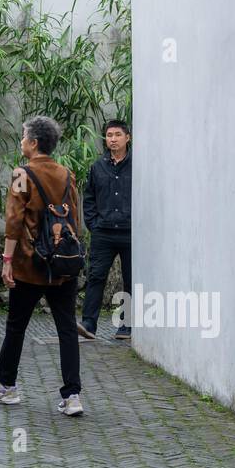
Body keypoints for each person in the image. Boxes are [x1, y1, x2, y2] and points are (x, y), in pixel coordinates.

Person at [0, 115, 84, 416]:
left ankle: (7, 386)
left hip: (30, 263)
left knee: (16, 326)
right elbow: (73, 218)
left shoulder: (20, 174)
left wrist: (7, 260)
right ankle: (72, 396)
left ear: (34, 143)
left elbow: (13, 222)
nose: (21, 142)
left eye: (24, 137)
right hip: (62, 264)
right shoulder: (67, 174)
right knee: (67, 329)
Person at [79, 119, 132, 342]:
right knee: (96, 277)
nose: (113, 139)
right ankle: (88, 324)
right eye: (109, 135)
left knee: (131, 279)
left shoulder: (139, 165)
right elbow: (89, 198)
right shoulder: (97, 167)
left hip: (131, 233)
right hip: (104, 232)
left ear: (127, 137)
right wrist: (93, 224)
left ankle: (126, 326)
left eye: (117, 135)